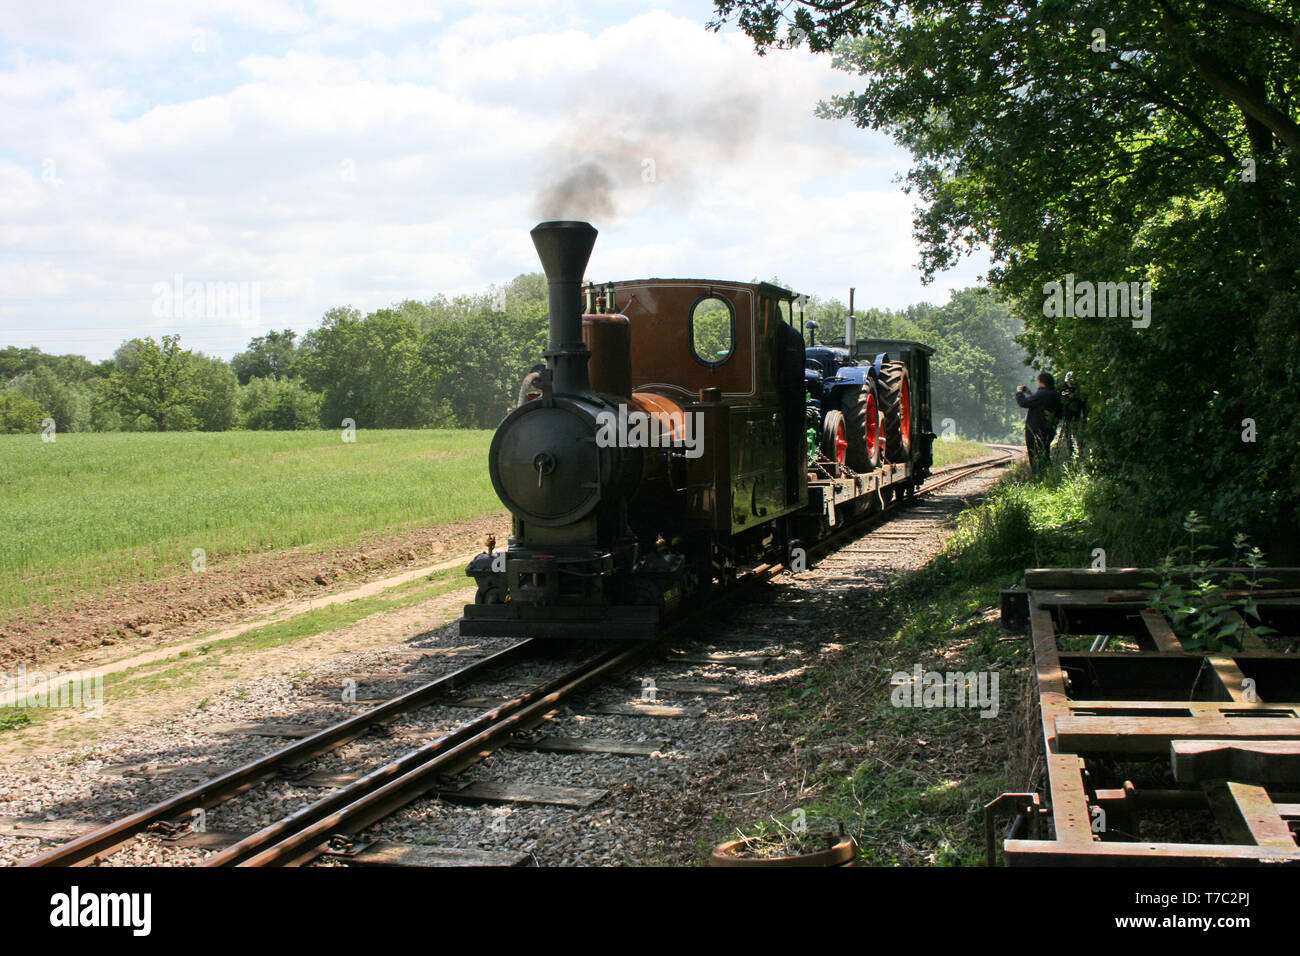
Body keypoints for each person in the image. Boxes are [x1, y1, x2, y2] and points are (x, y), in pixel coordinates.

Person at [1015, 372, 1062, 475]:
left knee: (1034, 454)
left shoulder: (1042, 394)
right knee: (1044, 452)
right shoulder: (1055, 394)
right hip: (1049, 429)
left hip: (1035, 429)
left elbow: (1024, 403)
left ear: (1041, 382)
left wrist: (1019, 392)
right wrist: (1030, 393)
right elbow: (1039, 403)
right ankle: (1047, 474)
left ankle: (1038, 475)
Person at [1058, 371, 1086, 459]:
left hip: (1077, 417)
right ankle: (1070, 454)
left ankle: (1080, 453)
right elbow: (1061, 399)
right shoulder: (1064, 390)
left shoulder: (1079, 391)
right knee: (1068, 436)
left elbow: (1082, 404)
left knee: (1077, 435)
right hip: (1067, 417)